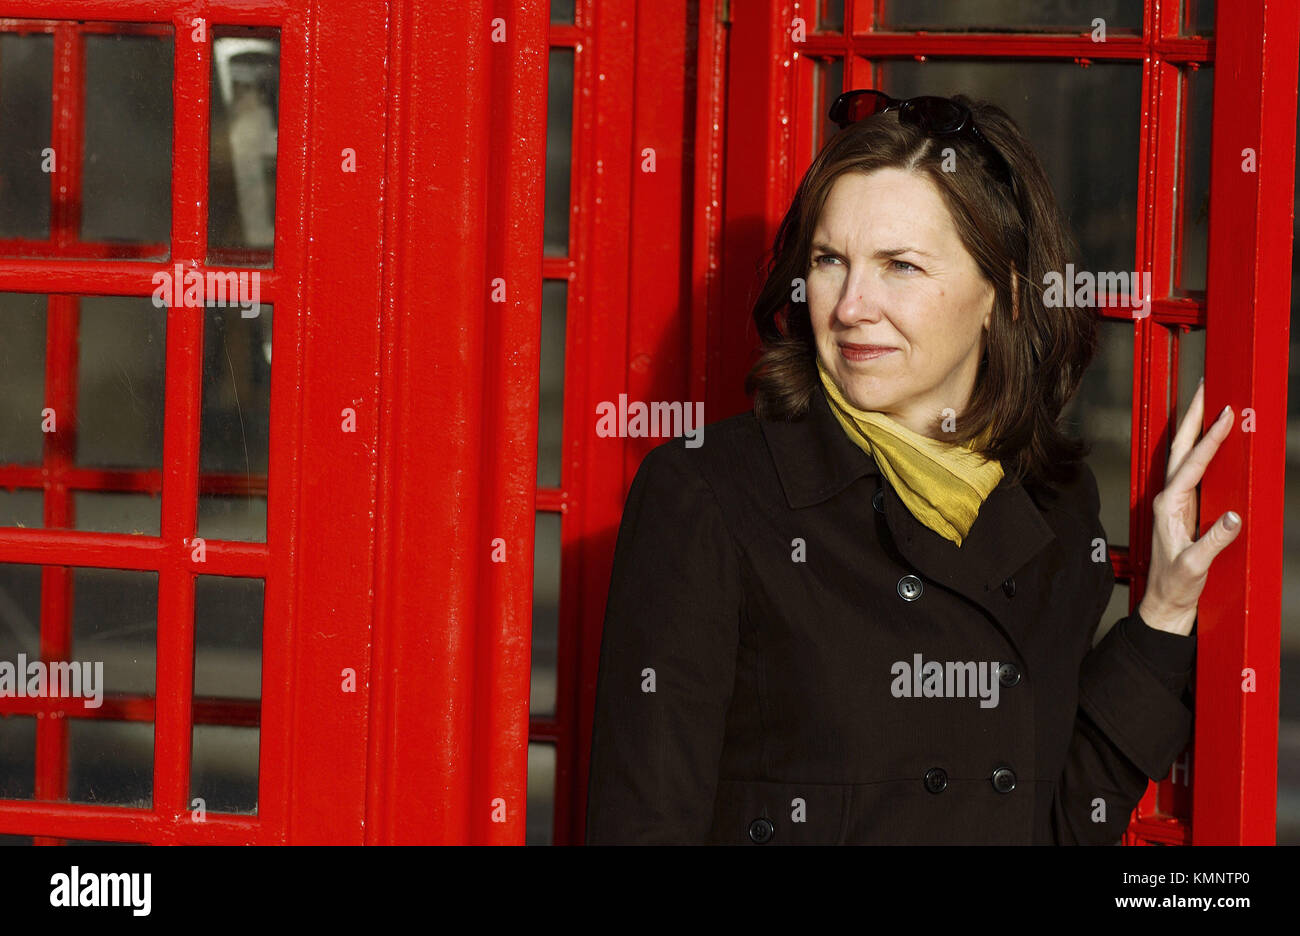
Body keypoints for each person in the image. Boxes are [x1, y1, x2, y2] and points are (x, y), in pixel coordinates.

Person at [584, 91, 1241, 844]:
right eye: (830, 261)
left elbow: (1059, 825)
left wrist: (1161, 613)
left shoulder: (1054, 509)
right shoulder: (711, 495)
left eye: (900, 266)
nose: (850, 306)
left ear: (1004, 292)